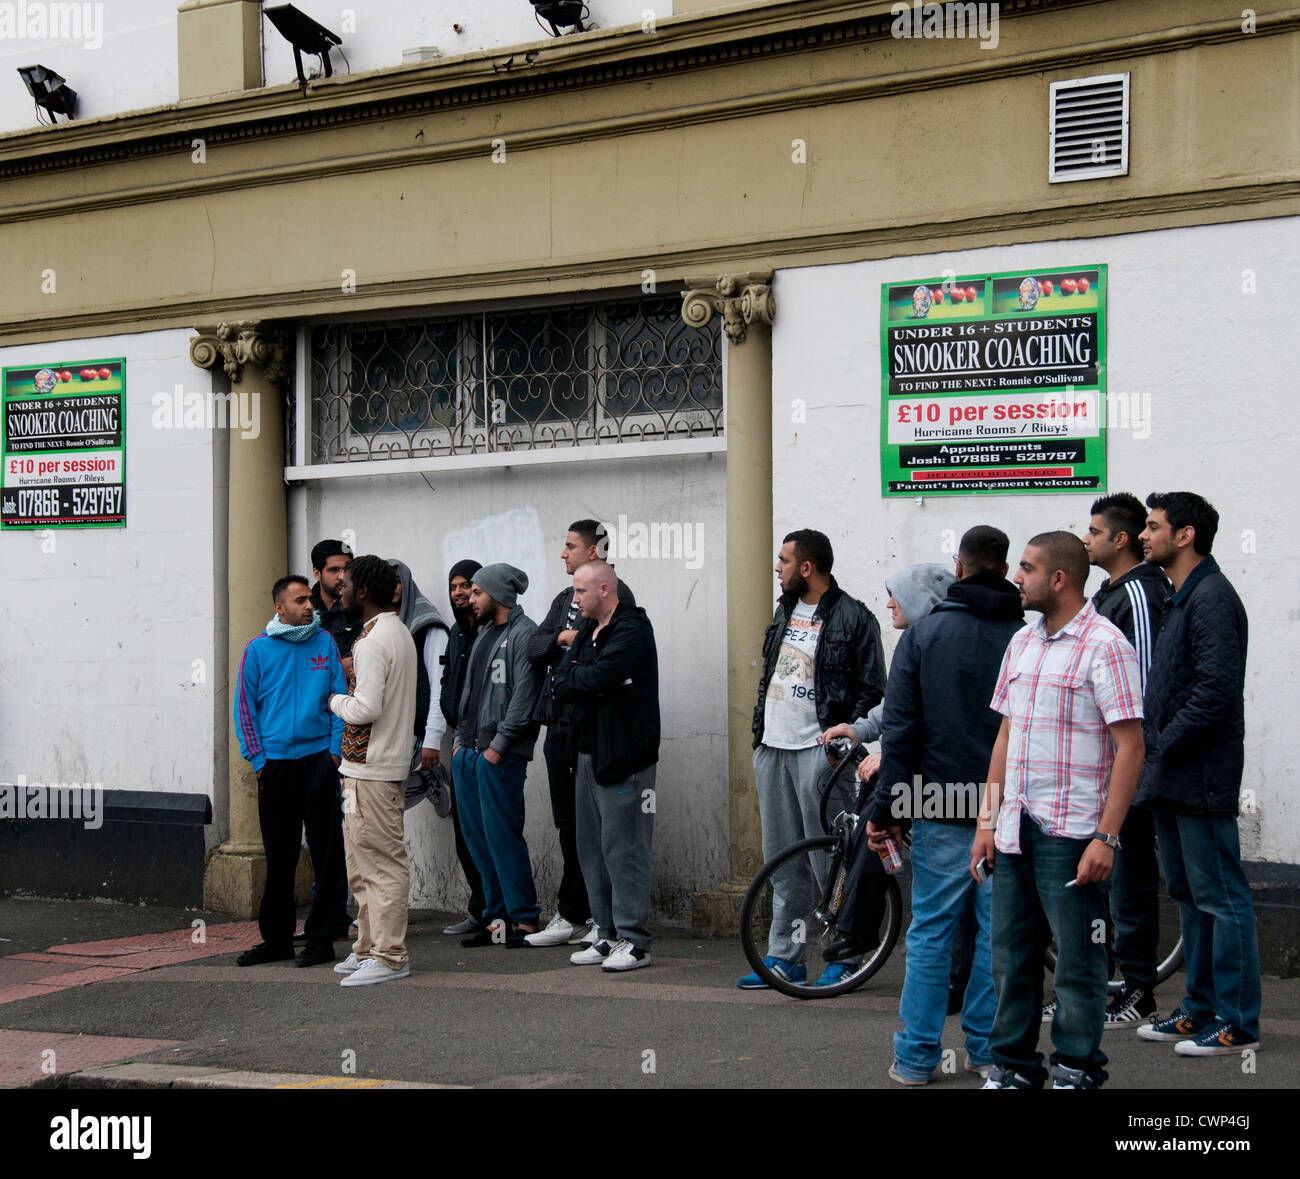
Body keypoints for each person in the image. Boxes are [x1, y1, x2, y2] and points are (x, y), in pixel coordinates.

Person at [971, 532, 1145, 1088]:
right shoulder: (1021, 644)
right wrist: (986, 822)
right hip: (1015, 829)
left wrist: (1107, 838)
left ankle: (1076, 1067)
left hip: (1073, 835)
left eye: (1026, 568)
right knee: (1010, 957)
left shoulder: (1106, 645)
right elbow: (1004, 737)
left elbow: (1131, 747)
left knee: (1078, 961)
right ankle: (1015, 1067)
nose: (1016, 578)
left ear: (1059, 579)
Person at [861, 530, 1024, 1085]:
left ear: (960, 566)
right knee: (996, 933)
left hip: (938, 800)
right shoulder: (1028, 637)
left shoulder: (925, 636)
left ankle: (915, 1058)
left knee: (930, 930)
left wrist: (885, 812)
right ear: (1005, 568)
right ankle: (988, 1049)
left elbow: (901, 735)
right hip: (1005, 804)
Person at [1134, 492, 1260, 1056]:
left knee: (1221, 897)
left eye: (1153, 527)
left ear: (1184, 536)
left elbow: (1214, 690)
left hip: (1199, 774)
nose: (1143, 535)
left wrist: (1158, 744)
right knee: (1189, 893)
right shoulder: (1181, 596)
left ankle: (1237, 1022)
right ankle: (1198, 1009)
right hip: (1171, 774)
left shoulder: (1209, 598)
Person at [737, 528, 886, 989]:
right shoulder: (783, 612)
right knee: (782, 857)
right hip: (774, 748)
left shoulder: (854, 618)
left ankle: (846, 952)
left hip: (820, 755)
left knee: (832, 858)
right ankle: (787, 957)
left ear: (807, 567)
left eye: (783, 560)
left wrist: (842, 743)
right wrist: (761, 736)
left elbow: (872, 690)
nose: (776, 568)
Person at [819, 562, 956, 974]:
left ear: (920, 600)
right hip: (932, 774)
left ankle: (859, 929)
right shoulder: (918, 640)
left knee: (877, 820)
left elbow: (926, 717)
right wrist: (858, 730)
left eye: (897, 594)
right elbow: (894, 708)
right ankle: (858, 927)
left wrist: (891, 755)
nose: (889, 602)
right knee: (873, 820)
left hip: (943, 781)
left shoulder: (930, 642)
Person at [1076, 492, 1170, 1029]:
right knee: (1107, 878)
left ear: (1120, 539)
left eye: (1094, 530)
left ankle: (1138, 991)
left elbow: (1146, 685)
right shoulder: (1108, 593)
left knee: (1130, 875)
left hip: (1127, 764)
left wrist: (1137, 759)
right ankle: (1097, 987)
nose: (1085, 538)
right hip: (1100, 762)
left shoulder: (1137, 594)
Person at [524, 520, 635, 948]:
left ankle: (600, 918)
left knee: (600, 828)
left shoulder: (619, 599)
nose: (562, 553)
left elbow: (603, 661)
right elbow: (534, 647)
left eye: (570, 546)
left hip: (594, 730)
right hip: (559, 727)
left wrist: (569, 645)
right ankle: (573, 911)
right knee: (568, 823)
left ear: (594, 552)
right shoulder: (562, 600)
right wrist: (566, 636)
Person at [233, 576, 348, 968]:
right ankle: (277, 939)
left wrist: (333, 755)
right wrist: (260, 762)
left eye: (309, 599)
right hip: (276, 767)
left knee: (327, 854)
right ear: (279, 607)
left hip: (319, 760)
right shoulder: (258, 649)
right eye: (300, 600)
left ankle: (322, 937)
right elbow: (245, 708)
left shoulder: (325, 644)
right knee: (279, 856)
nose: (309, 605)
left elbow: (339, 700)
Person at [551, 561, 659, 971]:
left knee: (624, 848)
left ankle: (635, 940)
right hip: (587, 752)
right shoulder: (585, 635)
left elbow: (601, 678)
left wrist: (587, 680)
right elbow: (561, 681)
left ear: (604, 590)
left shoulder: (632, 630)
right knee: (591, 848)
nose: (573, 600)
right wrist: (585, 679)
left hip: (624, 758)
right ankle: (607, 933)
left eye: (579, 592)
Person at [328, 555, 418, 987]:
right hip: (366, 770)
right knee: (361, 861)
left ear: (362, 591)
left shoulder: (375, 639)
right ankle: (367, 947)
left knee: (380, 862)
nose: (338, 590)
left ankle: (389, 955)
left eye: (344, 584)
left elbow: (365, 708)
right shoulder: (388, 632)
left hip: (373, 770)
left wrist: (332, 700)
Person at [453, 563, 543, 948]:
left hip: (499, 755)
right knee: (478, 839)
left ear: (497, 594)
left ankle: (524, 919)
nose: (469, 599)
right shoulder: (484, 633)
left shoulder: (526, 634)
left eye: (477, 593)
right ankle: (495, 919)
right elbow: (469, 693)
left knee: (503, 836)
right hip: (469, 752)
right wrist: (458, 744)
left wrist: (498, 747)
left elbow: (524, 698)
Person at [438, 560, 489, 937]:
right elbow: (447, 681)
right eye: (454, 586)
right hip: (459, 744)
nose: (460, 593)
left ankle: (501, 914)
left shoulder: (493, 631)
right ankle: (479, 908)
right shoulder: (456, 633)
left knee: (491, 832)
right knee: (465, 834)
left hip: (488, 748)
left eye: (468, 586)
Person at [386, 559, 450, 809]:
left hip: (414, 730)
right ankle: (424, 778)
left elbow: (439, 684)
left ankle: (425, 780)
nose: (392, 587)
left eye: (397, 580)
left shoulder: (427, 625)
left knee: (386, 804)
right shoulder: (379, 624)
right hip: (388, 730)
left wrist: (432, 739)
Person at [311, 539, 362, 671]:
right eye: (334, 570)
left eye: (346, 569)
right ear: (317, 573)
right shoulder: (302, 608)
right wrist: (338, 667)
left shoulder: (361, 606)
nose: (342, 576)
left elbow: (360, 661)